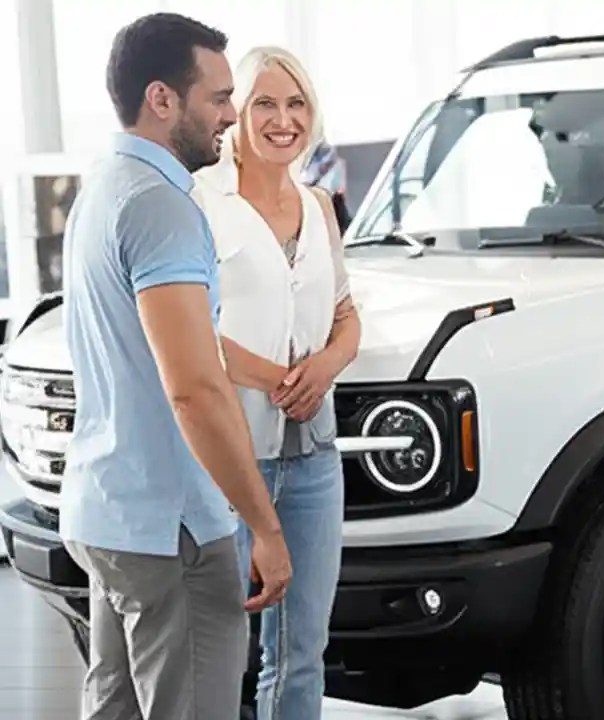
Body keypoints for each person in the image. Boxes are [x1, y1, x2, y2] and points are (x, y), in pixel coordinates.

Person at [60, 13, 292, 720]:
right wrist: (266, 529)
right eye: (219, 98)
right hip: (175, 530)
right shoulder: (162, 208)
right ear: (162, 99)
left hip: (109, 515)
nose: (230, 116)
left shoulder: (105, 188)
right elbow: (193, 389)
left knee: (117, 709)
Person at [190, 46, 361, 720]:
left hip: (315, 458)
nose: (282, 119)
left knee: (301, 655)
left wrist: (327, 365)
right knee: (220, 654)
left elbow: (346, 315)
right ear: (237, 113)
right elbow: (189, 332)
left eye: (295, 105)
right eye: (264, 102)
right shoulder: (204, 201)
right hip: (232, 458)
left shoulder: (319, 205)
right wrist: (282, 378)